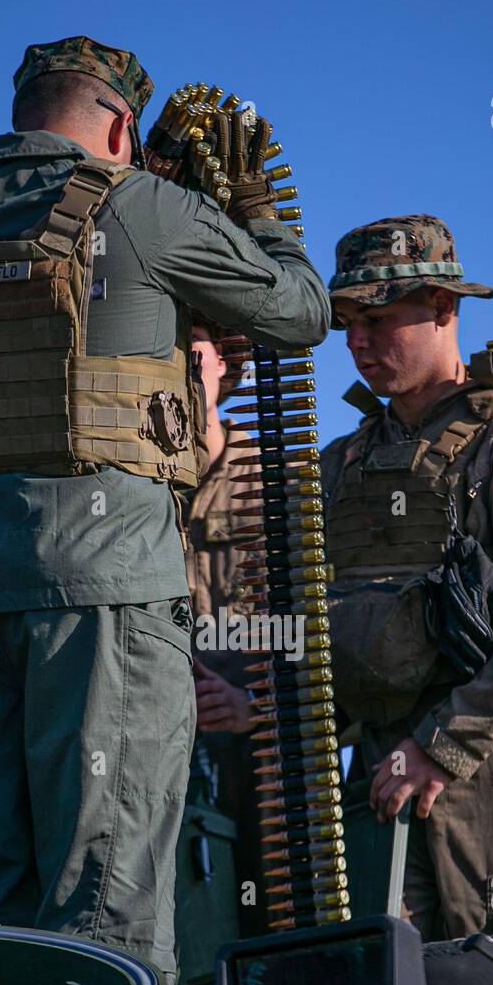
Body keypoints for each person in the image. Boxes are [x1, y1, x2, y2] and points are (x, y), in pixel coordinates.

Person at [0, 35, 329, 985]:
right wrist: (257, 217)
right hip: (106, 602)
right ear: (120, 127)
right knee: (106, 896)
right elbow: (299, 308)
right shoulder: (138, 206)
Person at [322, 215, 493, 939]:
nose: (358, 340)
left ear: (445, 310)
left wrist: (444, 747)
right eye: (348, 321)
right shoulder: (343, 466)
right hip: (382, 772)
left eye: (380, 317)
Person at [184, 319, 268, 932]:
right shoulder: (130, 495)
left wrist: (258, 706)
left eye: (190, 354)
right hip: (169, 774)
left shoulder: (280, 484)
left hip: (272, 769)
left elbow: (333, 638)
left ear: (224, 365)